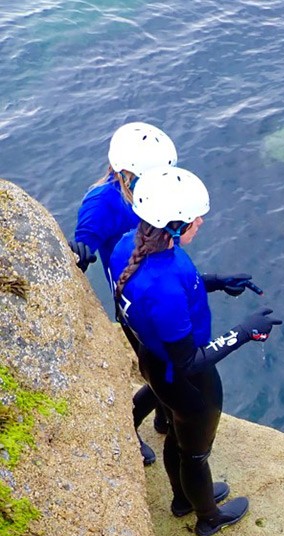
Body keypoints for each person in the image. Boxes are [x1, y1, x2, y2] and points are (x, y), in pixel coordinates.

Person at [109, 166, 281, 536]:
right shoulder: (166, 287)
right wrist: (244, 332)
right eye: (193, 219)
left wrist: (216, 282)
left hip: (155, 364)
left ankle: (183, 499)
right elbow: (188, 360)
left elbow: (164, 291)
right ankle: (208, 517)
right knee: (194, 453)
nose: (200, 222)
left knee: (177, 435)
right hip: (187, 381)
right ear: (172, 226)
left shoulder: (126, 247)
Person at [69, 122, 179, 465]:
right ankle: (128, 428)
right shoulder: (101, 202)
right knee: (162, 369)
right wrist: (78, 252)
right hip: (133, 303)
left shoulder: (151, 190)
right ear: (128, 173)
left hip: (156, 290)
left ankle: (164, 416)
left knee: (166, 364)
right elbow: (82, 245)